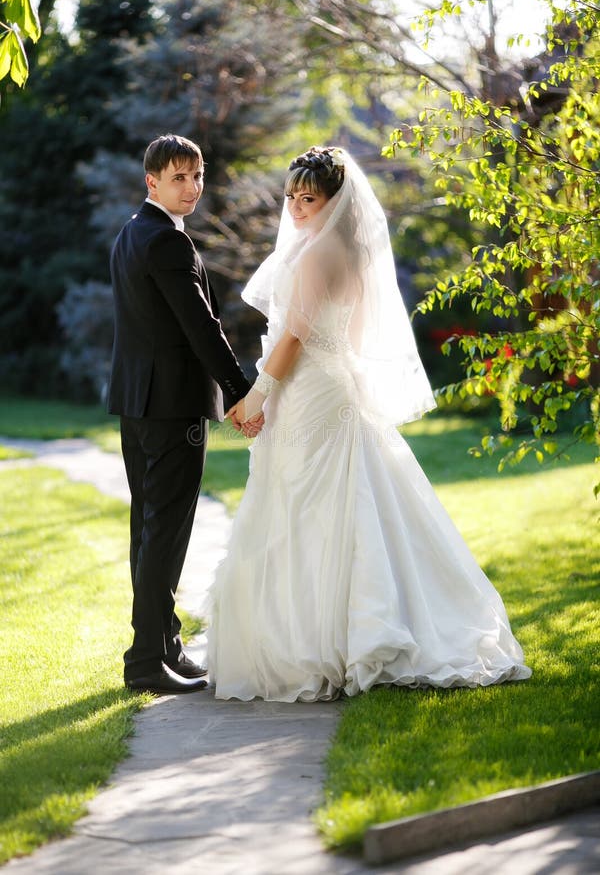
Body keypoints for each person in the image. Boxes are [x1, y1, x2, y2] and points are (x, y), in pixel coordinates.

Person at [206, 145, 531, 702]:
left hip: (310, 390)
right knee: (332, 502)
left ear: (335, 199)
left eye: (308, 198)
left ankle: (321, 640)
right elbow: (347, 339)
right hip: (333, 385)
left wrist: (259, 394)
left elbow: (293, 336)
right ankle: (345, 628)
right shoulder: (351, 251)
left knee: (310, 504)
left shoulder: (316, 254)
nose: (296, 208)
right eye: (291, 197)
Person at [108, 133, 259, 694]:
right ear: (153, 182)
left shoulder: (131, 234)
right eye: (179, 178)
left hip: (137, 404)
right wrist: (240, 391)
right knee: (164, 532)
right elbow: (202, 328)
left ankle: (164, 644)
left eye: (197, 176)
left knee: (149, 530)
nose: (192, 187)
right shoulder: (166, 242)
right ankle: (145, 660)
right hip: (171, 409)